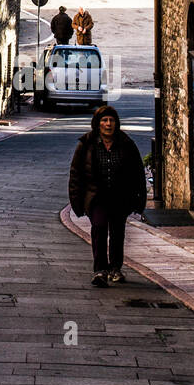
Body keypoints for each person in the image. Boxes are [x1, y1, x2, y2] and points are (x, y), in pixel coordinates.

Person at [68, 104, 147, 286]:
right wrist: (76, 200)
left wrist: (139, 199)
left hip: (120, 196)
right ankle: (100, 270)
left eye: (111, 120)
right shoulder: (86, 145)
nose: (108, 124)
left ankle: (115, 268)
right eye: (104, 120)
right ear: (97, 124)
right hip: (97, 197)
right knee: (99, 228)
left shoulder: (126, 144)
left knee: (118, 233)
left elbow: (138, 173)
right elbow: (76, 174)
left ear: (116, 123)